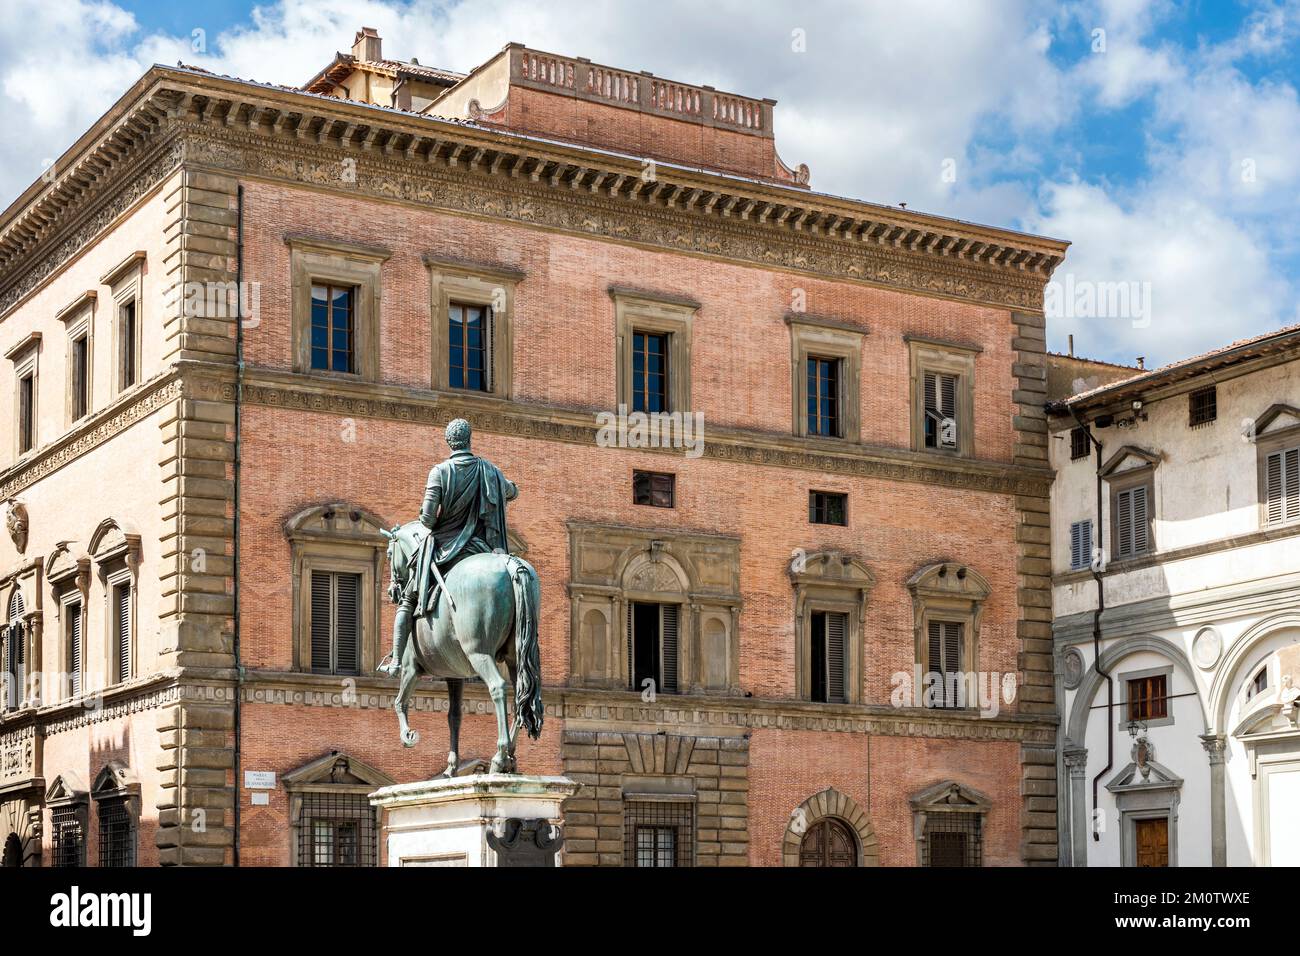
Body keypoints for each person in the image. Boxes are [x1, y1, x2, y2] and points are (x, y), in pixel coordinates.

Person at [377, 418, 518, 676]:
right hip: (482, 547)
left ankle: (397, 661)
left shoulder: (440, 472)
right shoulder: (490, 471)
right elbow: (511, 492)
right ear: (469, 440)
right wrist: (503, 486)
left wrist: (428, 515)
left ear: (449, 442)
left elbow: (428, 520)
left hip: (447, 549)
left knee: (407, 599)